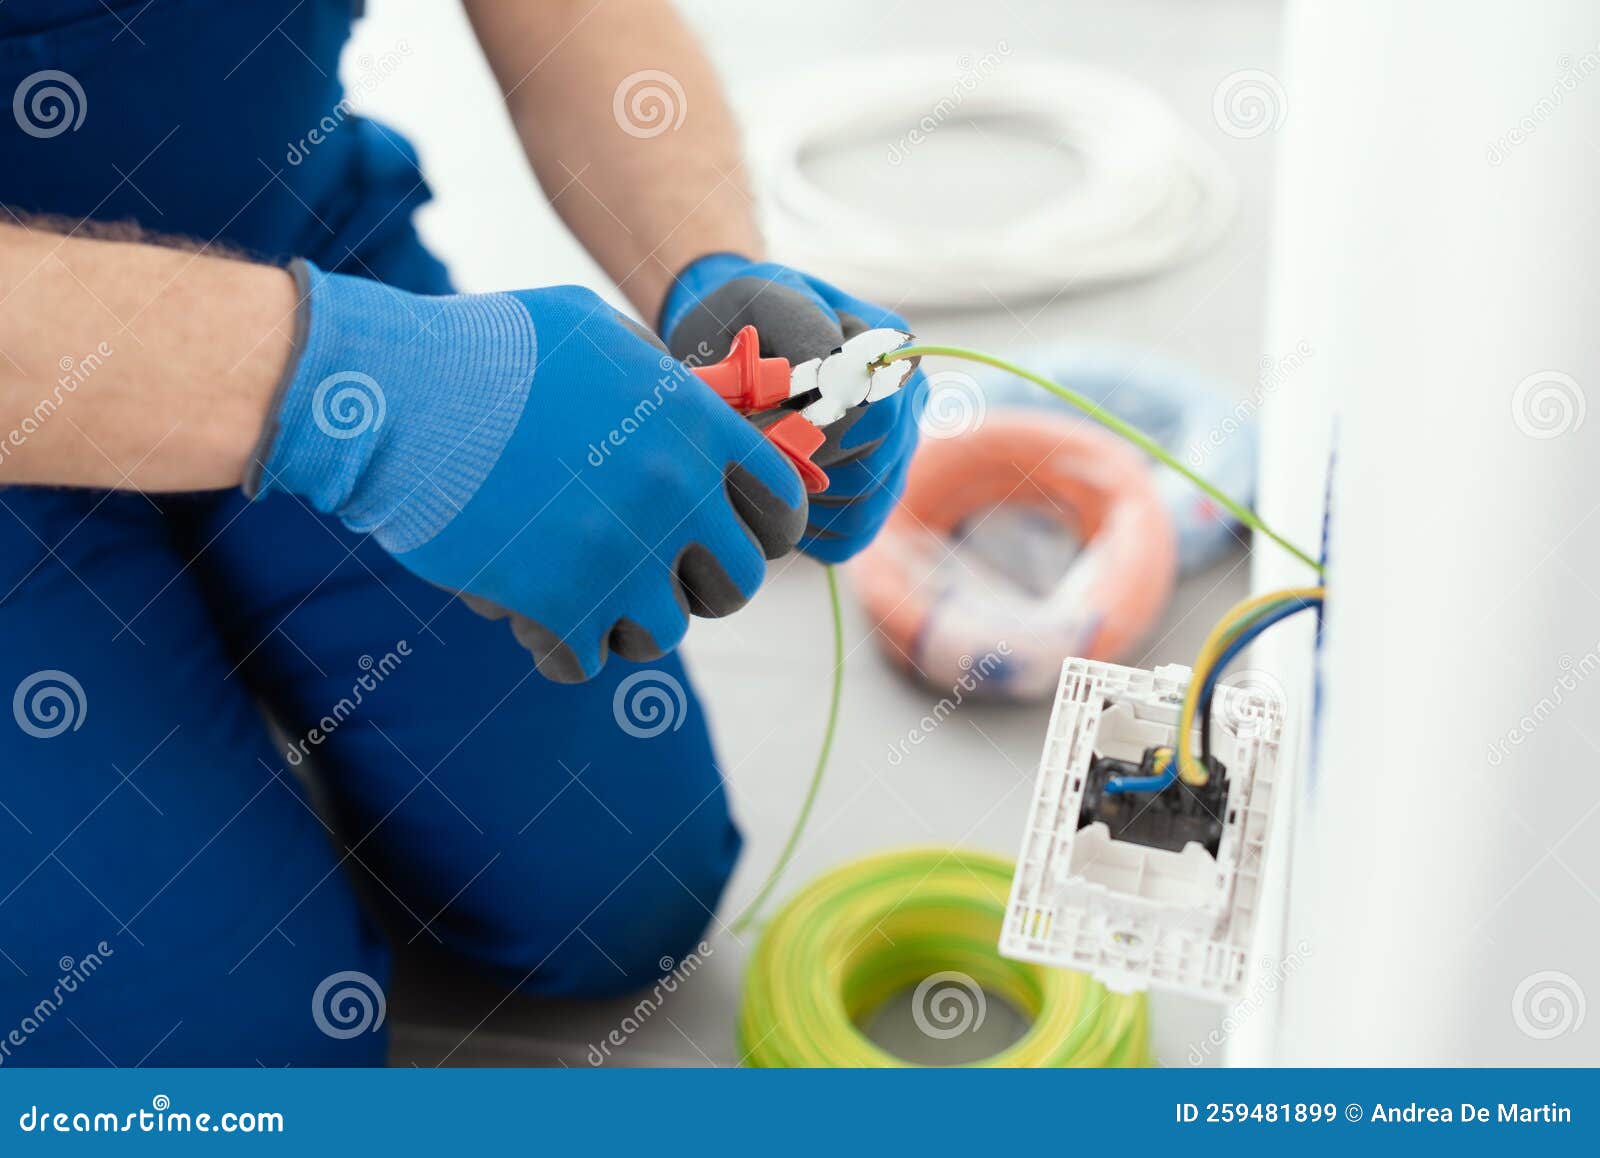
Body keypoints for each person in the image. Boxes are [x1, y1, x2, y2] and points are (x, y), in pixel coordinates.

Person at [0, 0, 922, 1065]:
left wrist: (710, 270)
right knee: (220, 1057)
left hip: (287, 241)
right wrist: (345, 387)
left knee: (617, 889)